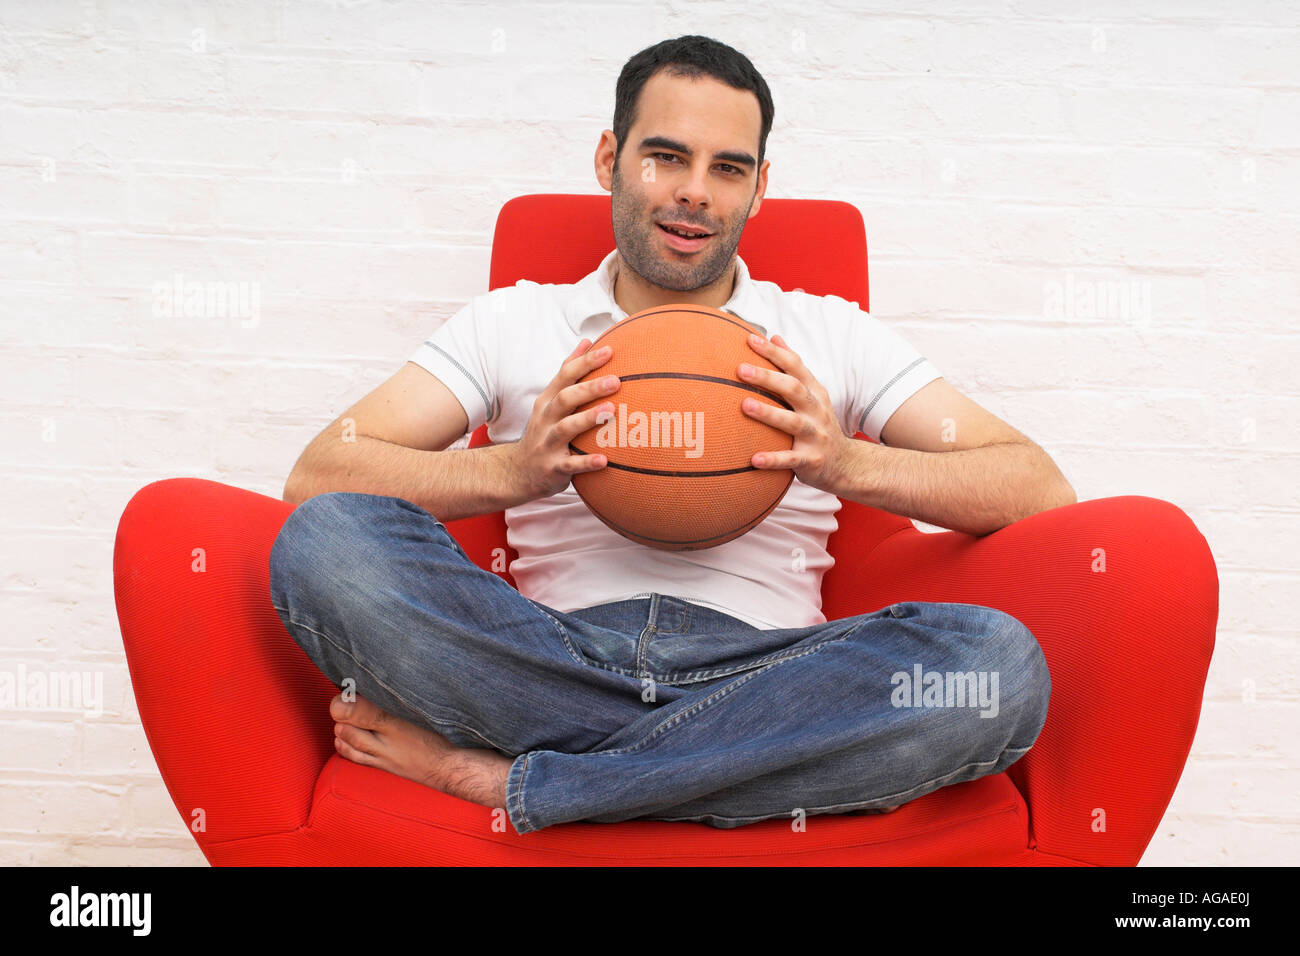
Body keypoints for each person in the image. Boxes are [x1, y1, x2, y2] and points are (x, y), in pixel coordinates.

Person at [270, 35, 1072, 835]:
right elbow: (320, 476)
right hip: (542, 663)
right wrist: (516, 469)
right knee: (325, 540)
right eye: (665, 158)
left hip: (769, 676)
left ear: (759, 189)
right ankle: (699, 766)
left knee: (994, 668)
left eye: (728, 168)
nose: (695, 193)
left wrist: (845, 460)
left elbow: (1037, 488)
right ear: (609, 159)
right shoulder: (514, 318)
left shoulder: (830, 336)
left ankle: (524, 782)